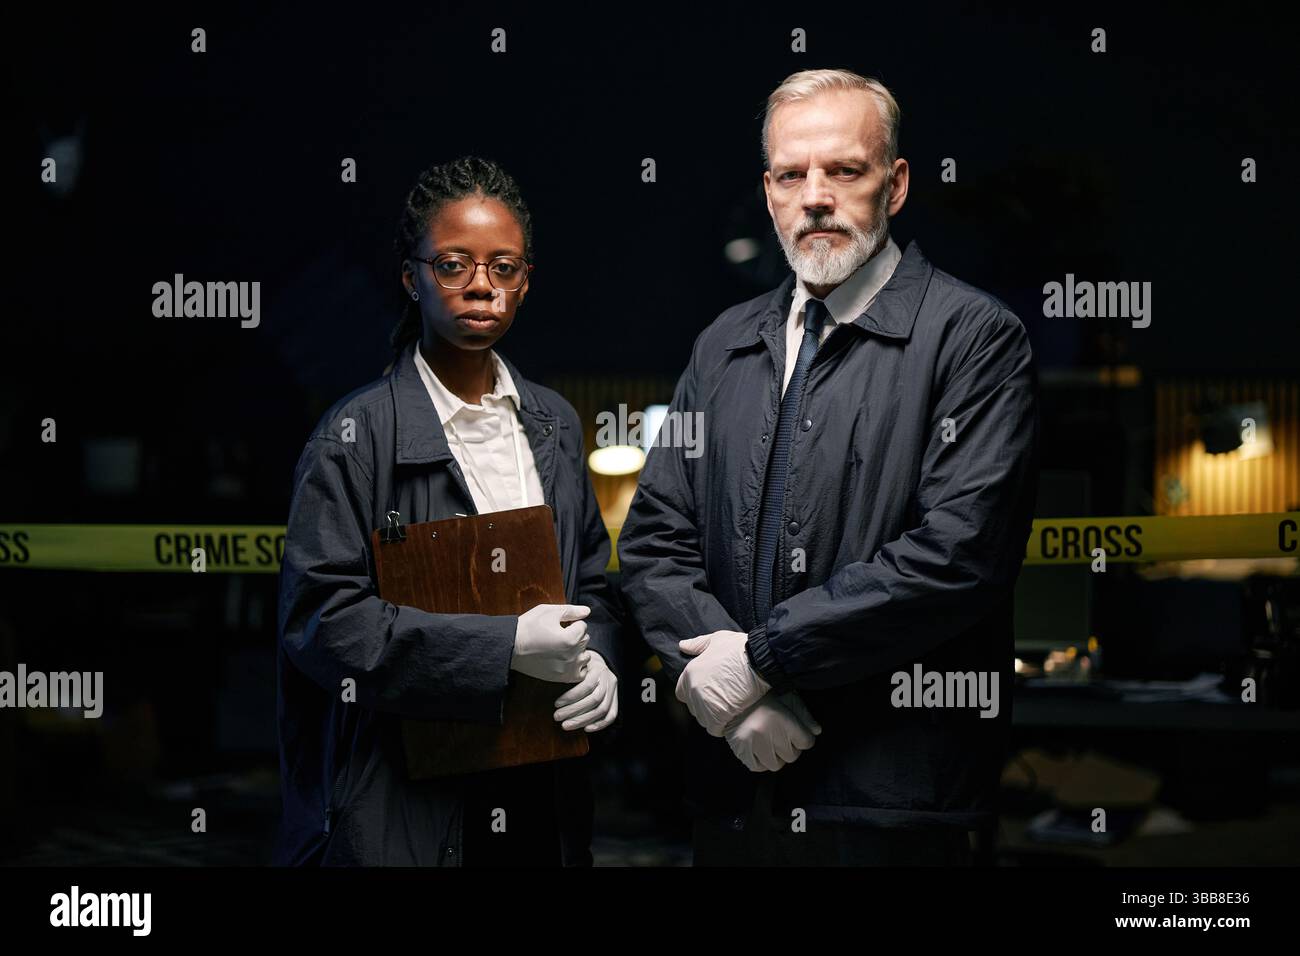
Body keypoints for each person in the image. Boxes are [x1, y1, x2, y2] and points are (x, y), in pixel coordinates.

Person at [618, 69, 1040, 865]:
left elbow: (958, 554)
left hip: (893, 809)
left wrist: (762, 660)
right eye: (791, 174)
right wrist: (728, 691)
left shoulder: (974, 338)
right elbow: (653, 543)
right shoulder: (723, 345)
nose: (816, 196)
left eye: (845, 170)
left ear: (897, 183)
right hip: (737, 789)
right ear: (770, 191)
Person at [274, 156, 621, 866]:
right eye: (453, 265)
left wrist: (604, 661)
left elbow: (592, 582)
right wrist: (505, 648)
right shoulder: (355, 438)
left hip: (540, 784)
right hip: (405, 801)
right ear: (411, 278)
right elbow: (321, 623)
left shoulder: (551, 423)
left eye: (504, 268)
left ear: (525, 283)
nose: (481, 288)